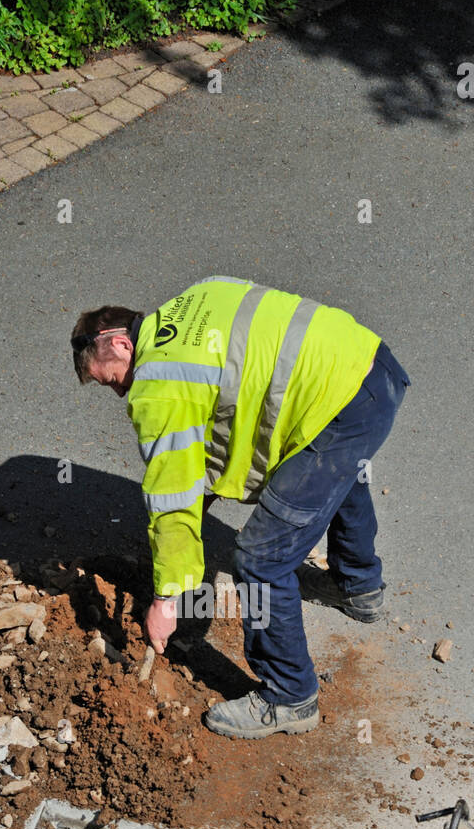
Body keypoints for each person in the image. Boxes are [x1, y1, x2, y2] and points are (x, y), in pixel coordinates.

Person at [71, 276, 410, 739]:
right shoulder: (194, 300)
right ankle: (357, 588)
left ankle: (291, 697)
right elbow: (221, 424)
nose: (119, 393)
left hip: (339, 408)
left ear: (119, 344)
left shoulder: (156, 384)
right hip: (371, 370)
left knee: (260, 558)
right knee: (336, 474)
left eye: (111, 380)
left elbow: (172, 492)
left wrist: (166, 599)